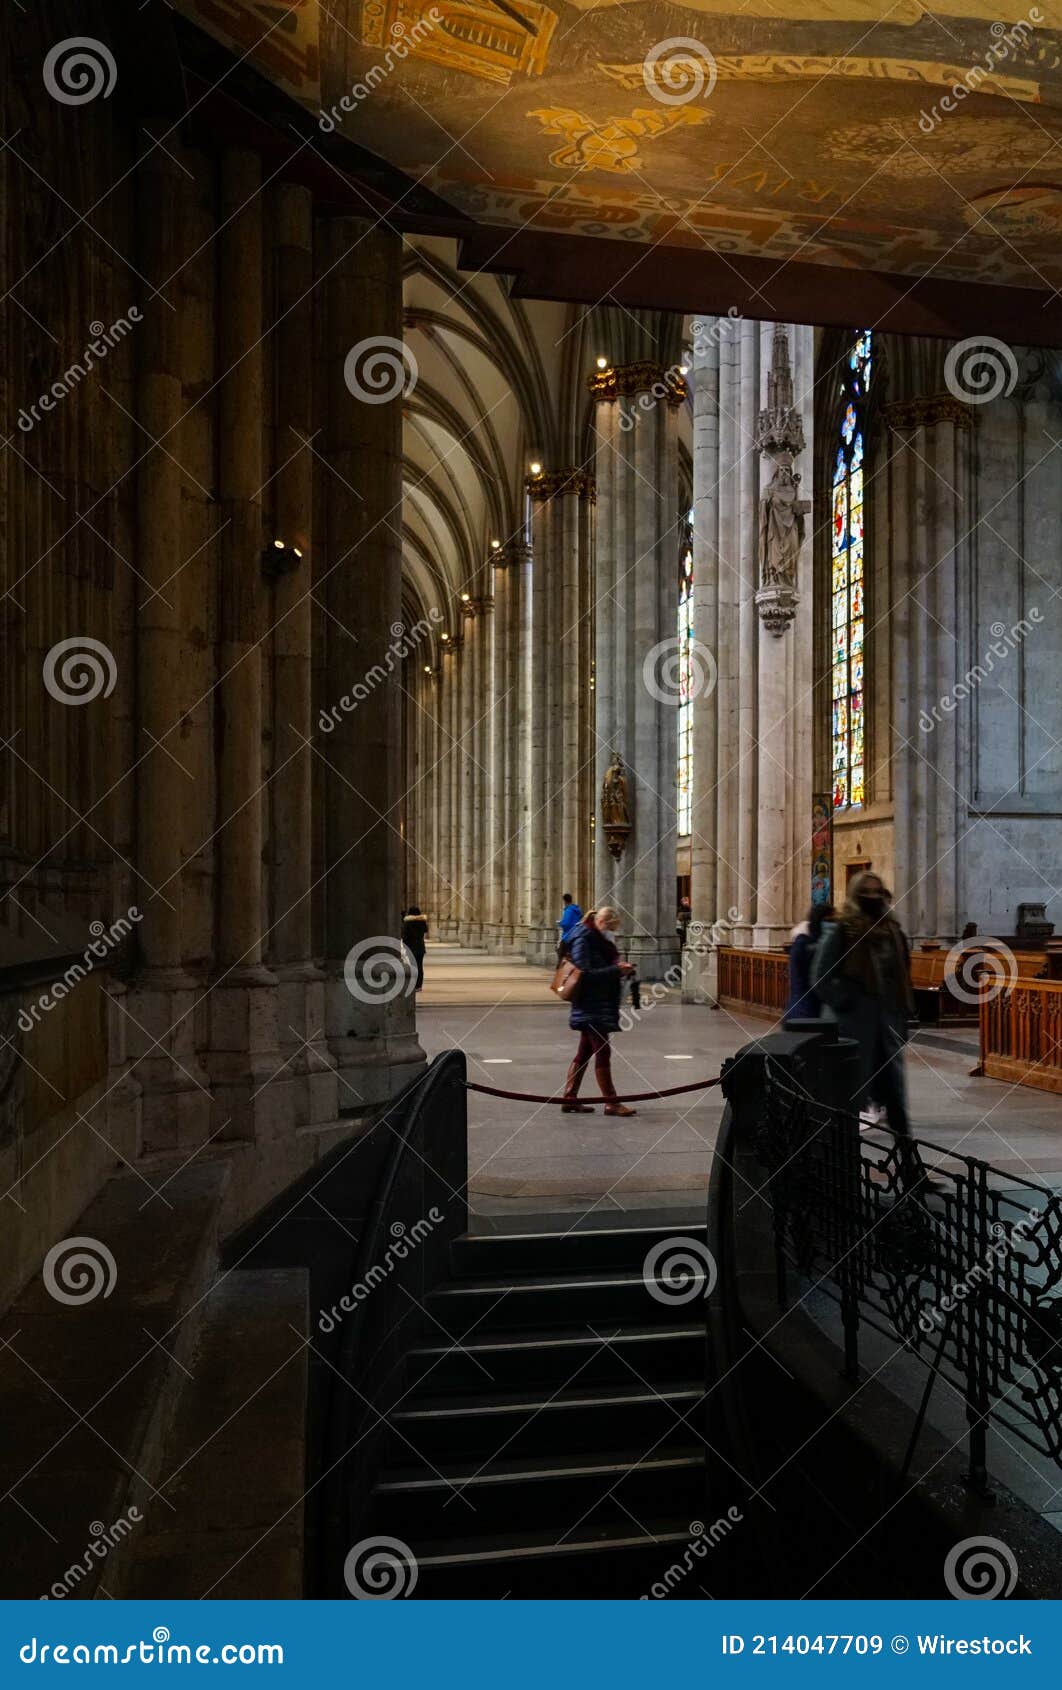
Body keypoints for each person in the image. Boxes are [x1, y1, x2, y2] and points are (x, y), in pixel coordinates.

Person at [811, 872, 914, 1139]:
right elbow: (821, 975)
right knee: (849, 1097)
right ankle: (841, 1155)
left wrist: (901, 1016)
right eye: (865, 892)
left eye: (877, 891)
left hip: (886, 1024)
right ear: (856, 896)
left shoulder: (892, 931)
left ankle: (909, 1161)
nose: (872, 897)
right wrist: (845, 1001)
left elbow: (902, 976)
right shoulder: (843, 930)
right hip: (851, 1027)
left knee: (895, 1097)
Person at [561, 906, 637, 1117]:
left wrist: (619, 968)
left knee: (585, 1052)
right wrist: (616, 970)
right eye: (611, 929)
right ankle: (611, 1102)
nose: (612, 933)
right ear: (602, 923)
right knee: (603, 1052)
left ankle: (569, 1098)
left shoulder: (595, 939)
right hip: (590, 1004)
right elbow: (584, 974)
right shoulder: (584, 939)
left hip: (596, 1004)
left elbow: (597, 966)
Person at [784, 901, 835, 1023]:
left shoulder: (801, 942)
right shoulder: (808, 945)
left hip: (797, 1008)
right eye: (830, 921)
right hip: (808, 1011)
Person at [401, 905, 429, 991]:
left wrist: (404, 944)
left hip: (411, 947)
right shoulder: (422, 922)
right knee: (420, 966)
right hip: (420, 947)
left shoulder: (408, 922)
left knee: (412, 966)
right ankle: (419, 985)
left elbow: (405, 935)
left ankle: (413, 984)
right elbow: (426, 930)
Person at [556, 892, 583, 960]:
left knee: (561, 956)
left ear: (565, 901)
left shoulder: (568, 910)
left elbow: (566, 924)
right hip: (576, 935)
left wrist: (560, 923)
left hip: (568, 936)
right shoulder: (577, 909)